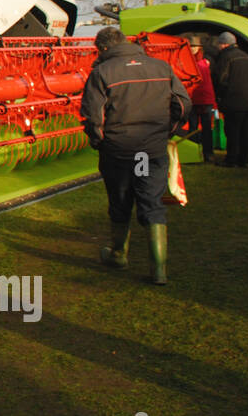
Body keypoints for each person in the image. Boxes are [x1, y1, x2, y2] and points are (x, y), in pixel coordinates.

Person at [80, 27, 191, 284]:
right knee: (151, 202)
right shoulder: (161, 68)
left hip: (119, 153)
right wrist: (167, 131)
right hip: (151, 151)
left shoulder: (102, 72)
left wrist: (99, 142)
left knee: (120, 202)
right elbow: (183, 104)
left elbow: (93, 115)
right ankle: (159, 270)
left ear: (104, 49)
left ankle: (118, 254)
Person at [210, 31, 248, 168]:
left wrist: (219, 95)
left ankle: (231, 159)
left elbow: (221, 79)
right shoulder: (246, 56)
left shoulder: (226, 57)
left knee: (232, 131)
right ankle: (245, 159)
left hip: (232, 100)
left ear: (224, 44)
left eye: (219, 44)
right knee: (245, 132)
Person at [186, 38, 216, 163]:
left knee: (206, 128)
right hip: (194, 99)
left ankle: (207, 153)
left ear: (199, 48)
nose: (193, 48)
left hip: (203, 99)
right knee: (193, 128)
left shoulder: (204, 63)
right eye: (191, 46)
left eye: (195, 46)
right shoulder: (201, 62)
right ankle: (195, 153)